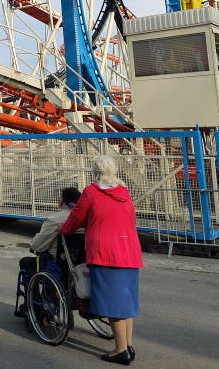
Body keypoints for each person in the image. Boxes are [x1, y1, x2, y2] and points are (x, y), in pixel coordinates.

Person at [61, 155, 142, 365]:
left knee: (114, 303)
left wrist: (66, 229)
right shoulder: (124, 192)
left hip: (106, 253)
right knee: (126, 302)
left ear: (95, 172)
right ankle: (128, 345)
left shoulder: (92, 192)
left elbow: (77, 216)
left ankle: (120, 350)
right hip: (130, 251)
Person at [16, 186, 81, 316]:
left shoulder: (55, 219)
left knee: (26, 263)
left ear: (63, 201)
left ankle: (34, 304)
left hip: (57, 266)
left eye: (60, 197)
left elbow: (37, 246)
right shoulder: (86, 218)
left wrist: (33, 245)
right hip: (80, 266)